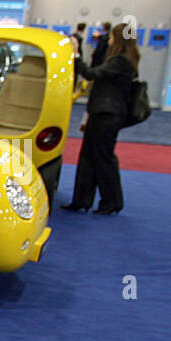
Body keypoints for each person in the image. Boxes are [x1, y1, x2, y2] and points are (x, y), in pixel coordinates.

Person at [64, 23, 138, 215]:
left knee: (102, 158)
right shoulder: (125, 60)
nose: (109, 40)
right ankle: (82, 200)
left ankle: (111, 201)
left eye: (112, 36)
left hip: (107, 114)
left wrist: (77, 55)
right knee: (91, 156)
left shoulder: (120, 61)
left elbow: (91, 74)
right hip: (104, 113)